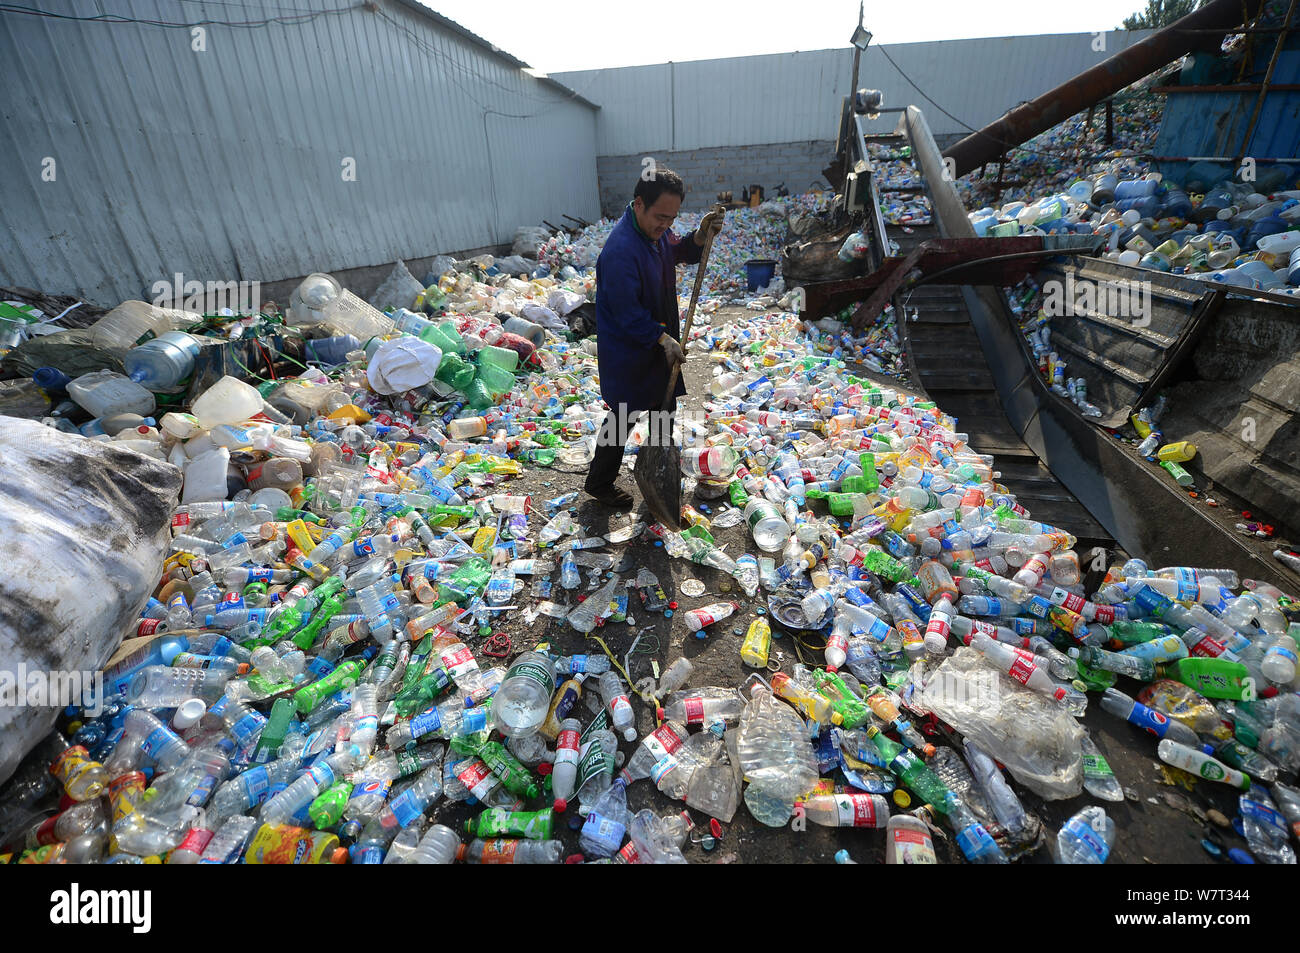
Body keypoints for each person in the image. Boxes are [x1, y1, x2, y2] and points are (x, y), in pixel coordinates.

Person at [584, 169, 724, 508]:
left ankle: (658, 477)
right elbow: (625, 312)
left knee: (664, 411)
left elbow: (677, 250)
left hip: (659, 345)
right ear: (639, 204)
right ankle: (600, 484)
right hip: (630, 351)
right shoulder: (620, 251)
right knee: (622, 418)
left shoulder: (654, 233)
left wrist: (700, 237)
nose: (665, 225)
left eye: (671, 218)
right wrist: (662, 339)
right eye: (661, 217)